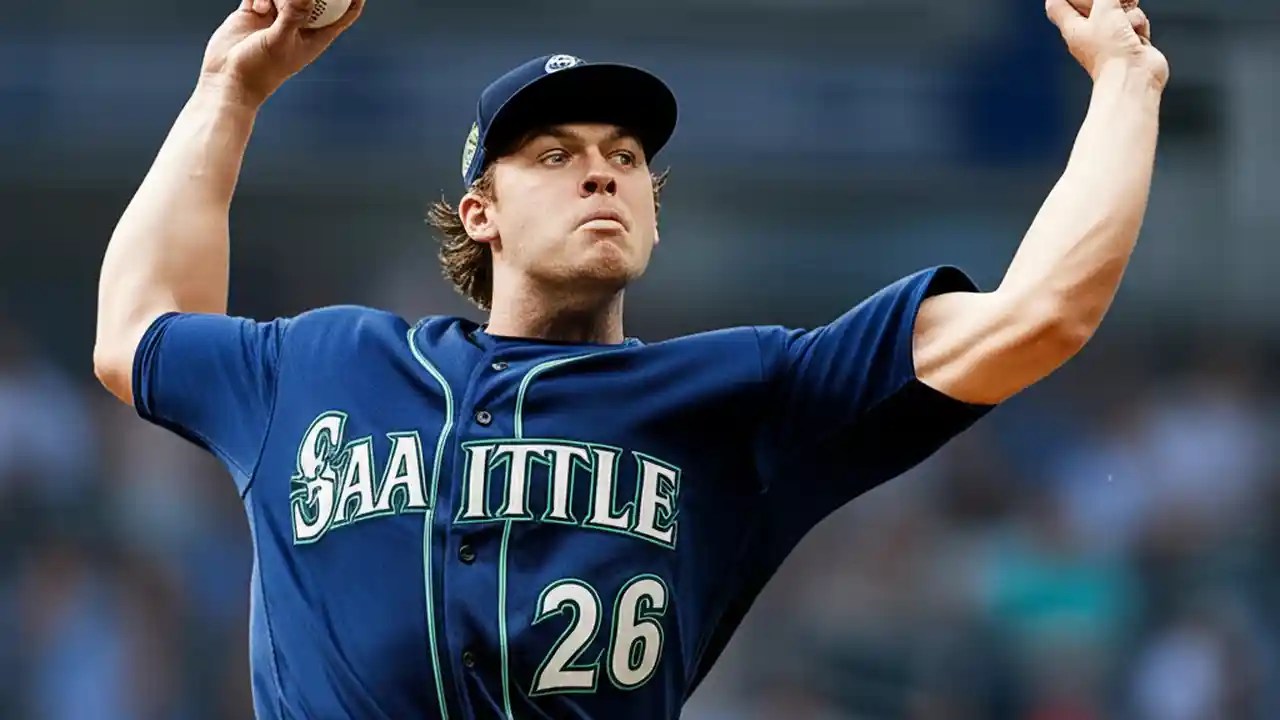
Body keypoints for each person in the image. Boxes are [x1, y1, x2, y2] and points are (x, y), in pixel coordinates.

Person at [91, 0, 1168, 717]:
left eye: (625, 158)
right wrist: (230, 91)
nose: (600, 173)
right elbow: (135, 331)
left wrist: (1125, 76)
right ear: (481, 214)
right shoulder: (326, 362)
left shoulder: (738, 395)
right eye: (554, 156)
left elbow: (1041, 316)